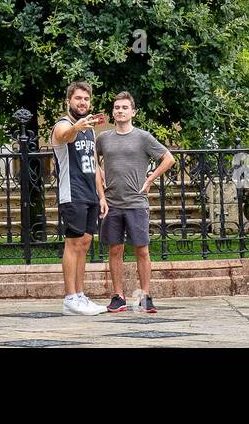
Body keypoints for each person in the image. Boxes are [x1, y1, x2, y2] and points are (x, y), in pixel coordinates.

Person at [96, 91, 174, 313]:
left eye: (124, 108)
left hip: (136, 203)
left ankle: (145, 297)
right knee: (115, 250)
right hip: (112, 203)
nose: (120, 111)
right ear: (113, 112)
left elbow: (168, 158)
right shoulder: (103, 139)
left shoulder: (143, 137)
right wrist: (101, 191)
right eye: (117, 107)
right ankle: (118, 296)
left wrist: (150, 179)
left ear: (133, 112)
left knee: (142, 249)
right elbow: (91, 162)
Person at [50, 81, 107, 316]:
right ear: (68, 102)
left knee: (84, 244)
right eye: (78, 99)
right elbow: (64, 136)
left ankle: (81, 296)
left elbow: (94, 164)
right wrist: (77, 126)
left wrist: (101, 196)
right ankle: (70, 297)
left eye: (86, 99)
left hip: (89, 193)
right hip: (71, 194)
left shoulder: (90, 129)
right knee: (73, 245)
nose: (82, 102)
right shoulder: (62, 125)